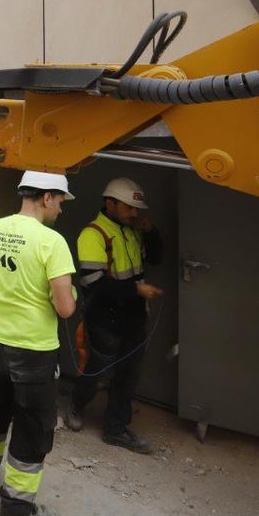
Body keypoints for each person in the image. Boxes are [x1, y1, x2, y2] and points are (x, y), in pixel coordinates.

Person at [0, 171, 77, 516]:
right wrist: (70, 293)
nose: (61, 208)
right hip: (34, 352)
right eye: (60, 200)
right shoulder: (52, 242)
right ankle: (15, 507)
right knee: (32, 428)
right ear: (46, 197)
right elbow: (65, 308)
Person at [65, 177, 164, 454]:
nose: (135, 213)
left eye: (137, 209)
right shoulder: (93, 235)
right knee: (97, 370)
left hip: (133, 316)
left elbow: (156, 258)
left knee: (129, 374)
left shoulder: (132, 231)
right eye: (129, 208)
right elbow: (94, 283)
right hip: (104, 317)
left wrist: (151, 231)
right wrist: (137, 289)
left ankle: (116, 429)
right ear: (110, 204)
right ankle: (76, 404)